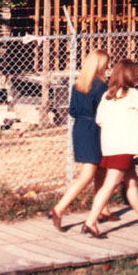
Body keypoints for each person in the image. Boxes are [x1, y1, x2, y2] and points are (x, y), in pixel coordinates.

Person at [81, 59, 138, 238]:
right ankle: (91, 222)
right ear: (132, 77)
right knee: (110, 184)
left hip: (110, 146)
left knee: (131, 182)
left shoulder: (108, 95)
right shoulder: (132, 94)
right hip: (124, 146)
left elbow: (99, 120)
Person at [48, 49, 117, 231]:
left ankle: (103, 210)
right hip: (94, 129)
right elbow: (105, 112)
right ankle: (58, 208)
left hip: (79, 128)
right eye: (106, 63)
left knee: (100, 169)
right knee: (87, 174)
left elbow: (72, 111)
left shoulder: (78, 85)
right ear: (101, 65)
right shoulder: (102, 87)